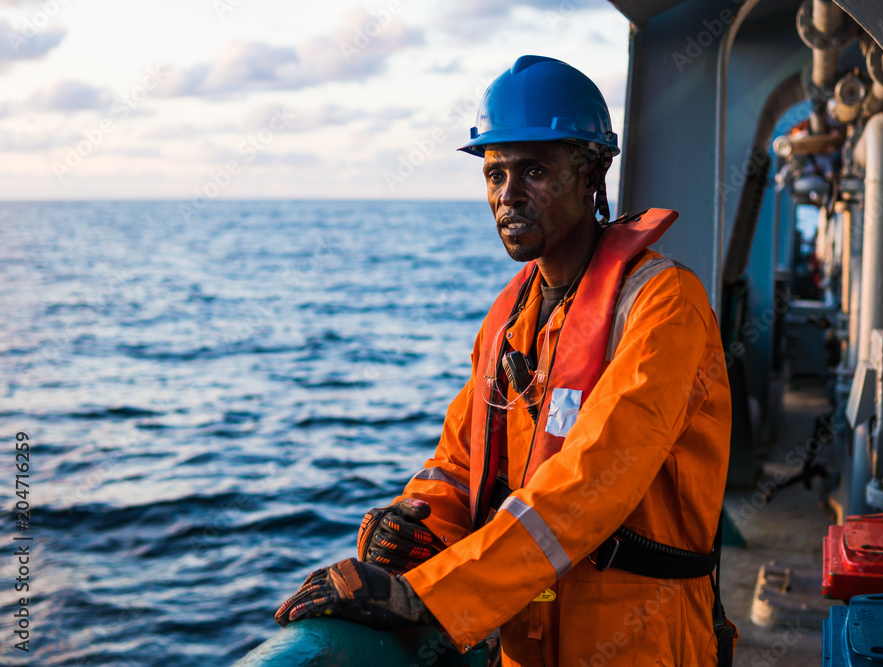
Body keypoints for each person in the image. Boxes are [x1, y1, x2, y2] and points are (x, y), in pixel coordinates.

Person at [275, 55, 734, 666]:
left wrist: (429, 598)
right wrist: (412, 526)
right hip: (524, 636)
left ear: (594, 175)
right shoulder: (508, 318)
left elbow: (597, 481)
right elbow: (459, 466)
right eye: (495, 175)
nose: (508, 196)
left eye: (534, 171)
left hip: (640, 639)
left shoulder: (663, 303)